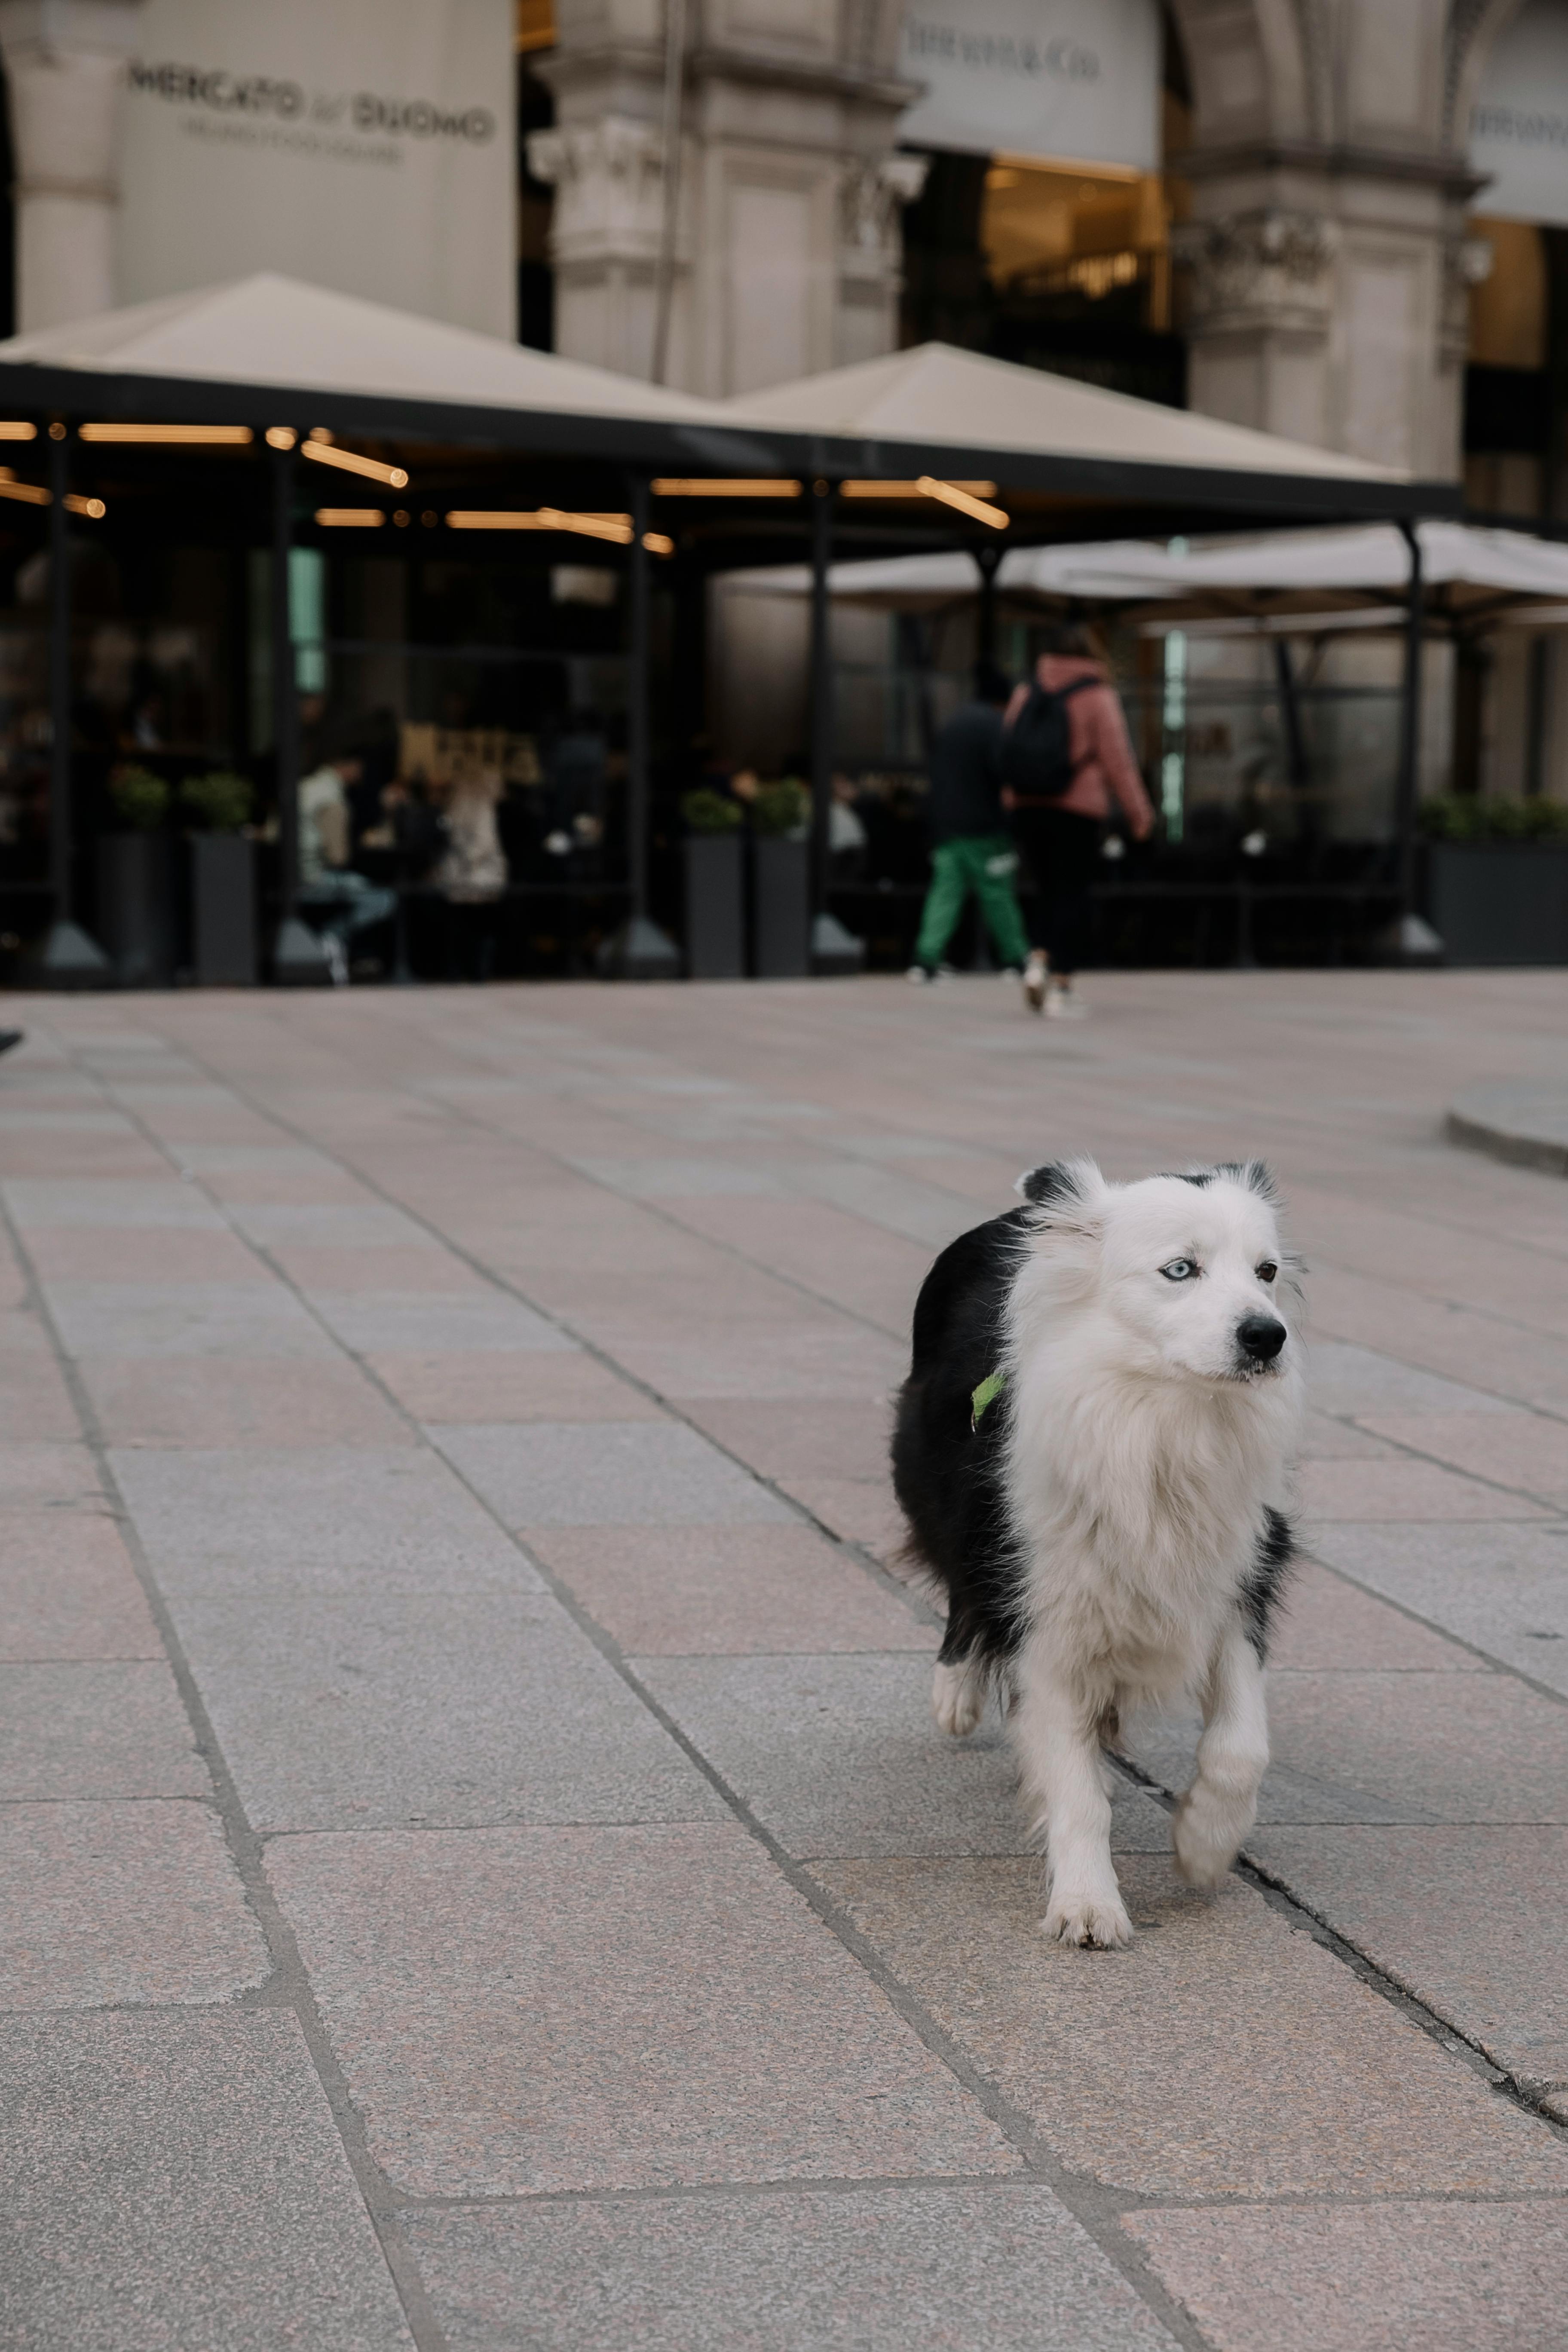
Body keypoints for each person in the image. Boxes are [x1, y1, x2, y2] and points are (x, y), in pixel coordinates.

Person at [1002, 625, 1155, 1018]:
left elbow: (1008, 750)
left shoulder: (1026, 692)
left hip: (1028, 805)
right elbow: (1118, 760)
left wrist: (1010, 802)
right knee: (1072, 893)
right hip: (1077, 808)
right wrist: (1140, 814)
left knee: (1046, 889)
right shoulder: (1097, 696)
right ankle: (1062, 987)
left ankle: (1038, 961)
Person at [907, 668, 1032, 990]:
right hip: (985, 827)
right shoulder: (994, 726)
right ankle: (1017, 958)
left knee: (945, 894)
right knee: (998, 893)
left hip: (948, 825)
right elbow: (1005, 772)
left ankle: (926, 959)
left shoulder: (952, 725)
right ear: (1002, 700)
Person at [296, 746, 398, 984]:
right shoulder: (331, 797)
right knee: (384, 898)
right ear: (346, 766)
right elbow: (338, 857)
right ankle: (332, 937)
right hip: (313, 878)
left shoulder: (306, 787)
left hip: (292, 873)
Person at [432, 759, 508, 981]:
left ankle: (460, 972)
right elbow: (483, 845)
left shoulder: (457, 800)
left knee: (461, 927)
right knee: (480, 928)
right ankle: (478, 973)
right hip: (478, 877)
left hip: (461, 876)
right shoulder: (482, 803)